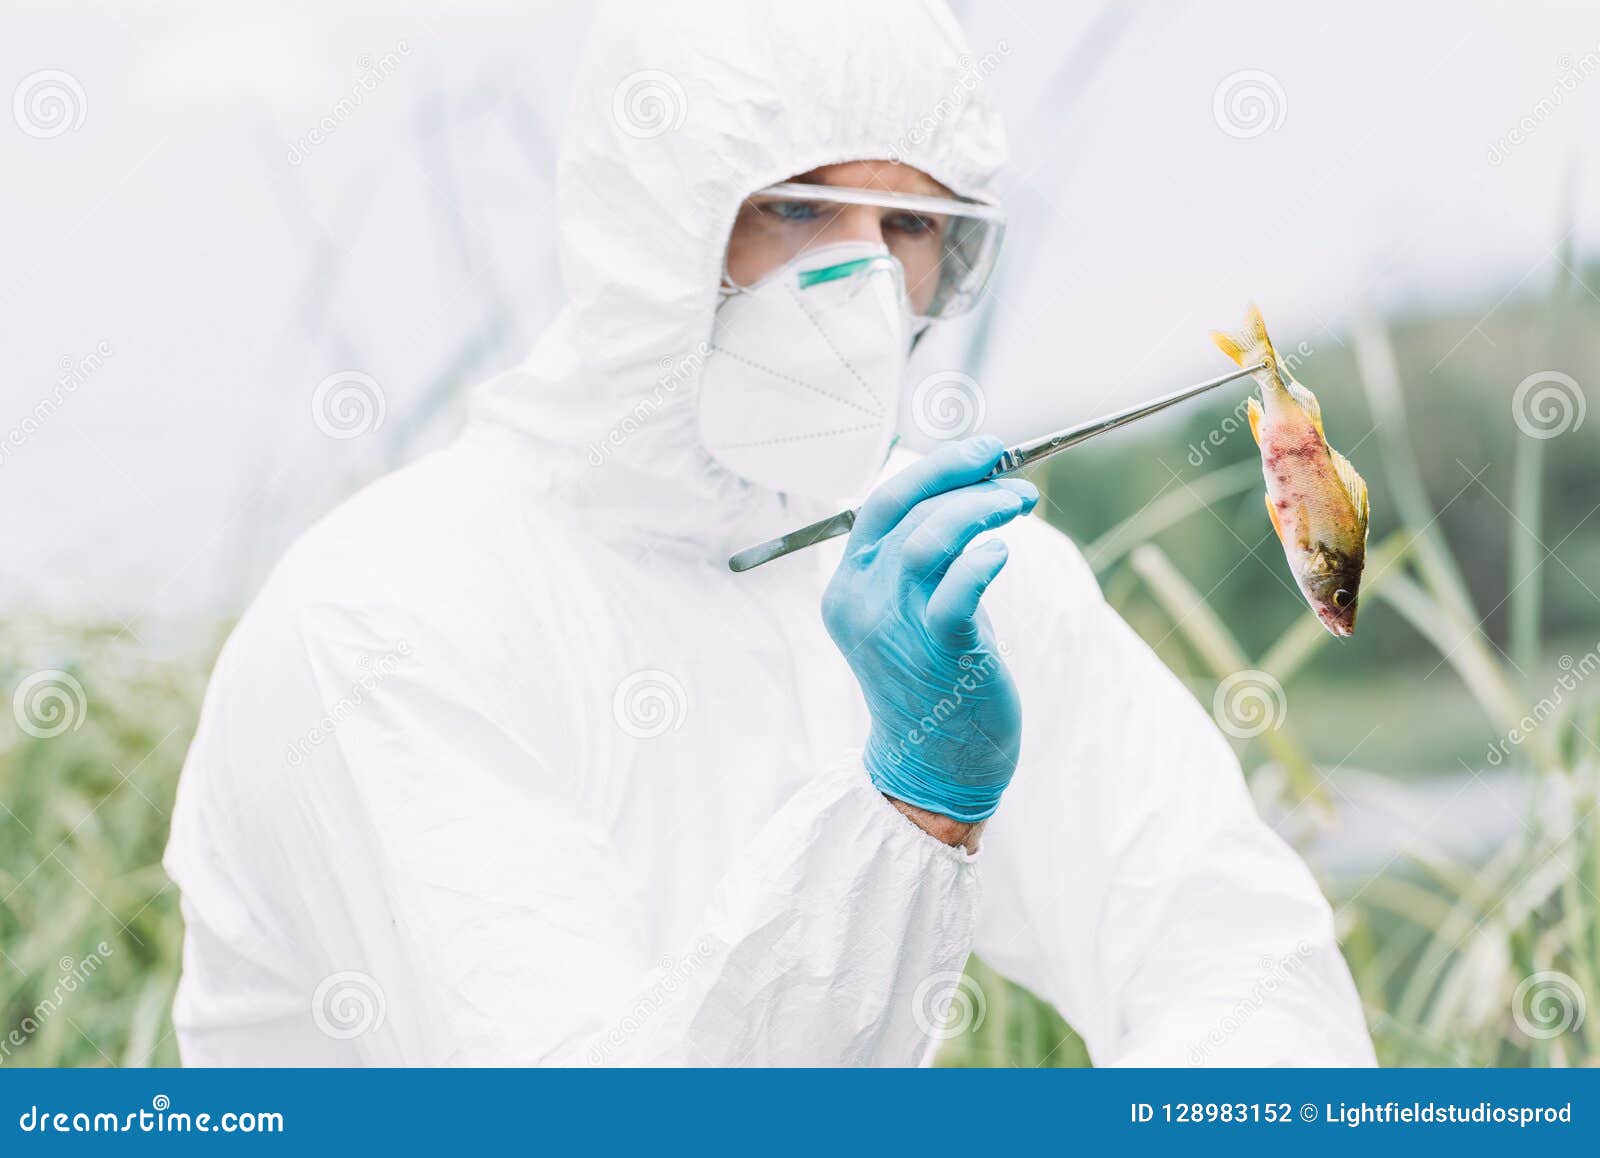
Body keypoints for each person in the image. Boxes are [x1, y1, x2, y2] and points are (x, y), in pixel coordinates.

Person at [164, 0, 1376, 1066]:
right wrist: (907, 812)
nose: (861, 289)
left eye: (908, 227)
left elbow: (1233, 962)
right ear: (647, 225)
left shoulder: (955, 583)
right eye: (796, 208)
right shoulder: (385, 620)